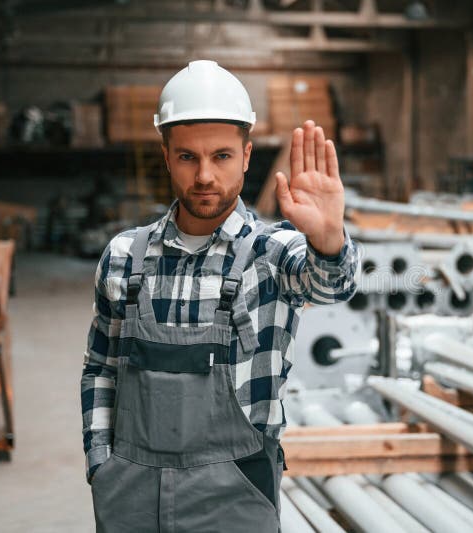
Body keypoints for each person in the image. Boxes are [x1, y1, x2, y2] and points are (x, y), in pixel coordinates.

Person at [80, 60, 358, 532]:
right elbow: (100, 366)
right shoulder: (124, 254)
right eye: (188, 156)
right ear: (166, 156)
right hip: (130, 492)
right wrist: (101, 462)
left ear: (247, 156)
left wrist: (328, 237)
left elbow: (331, 285)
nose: (205, 175)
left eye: (222, 156)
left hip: (235, 493)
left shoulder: (274, 254)